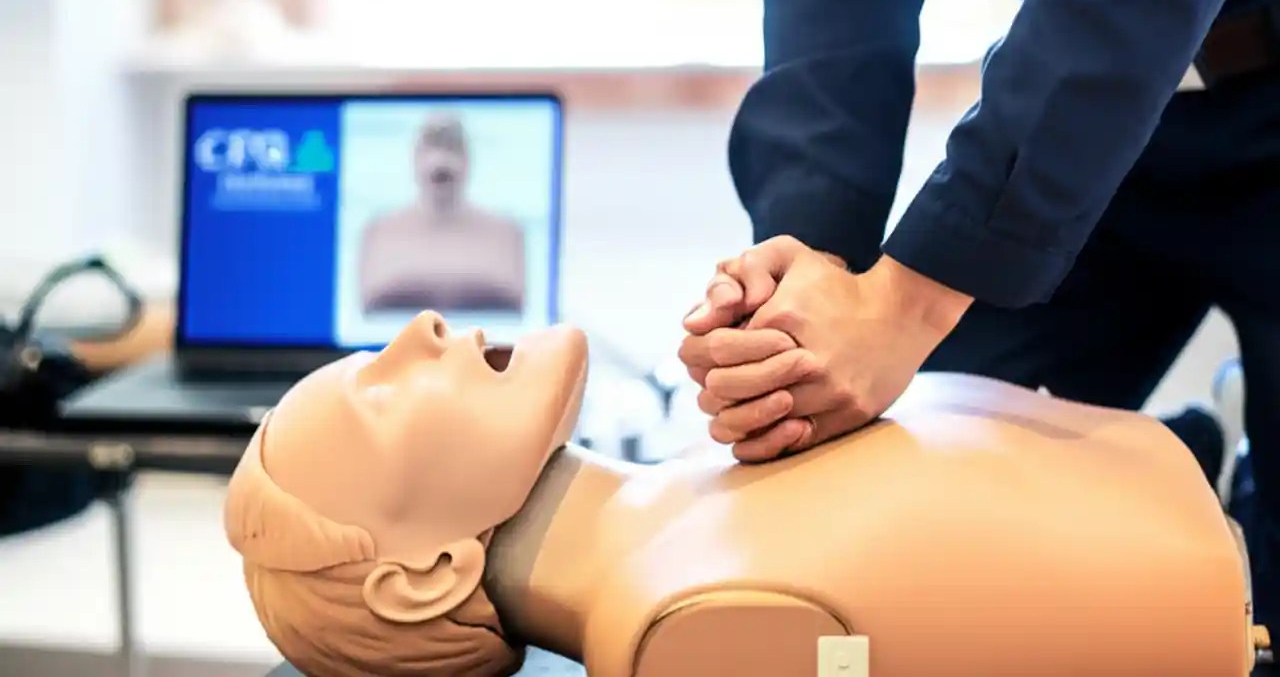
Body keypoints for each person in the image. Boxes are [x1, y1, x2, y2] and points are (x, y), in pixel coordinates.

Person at [677, 0, 1280, 632]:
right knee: (904, 515)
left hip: (1210, 84)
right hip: (1091, 135)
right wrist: (806, 279)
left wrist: (903, 308)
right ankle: (1192, 460)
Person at [224, 312, 1253, 677]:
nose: (422, 330)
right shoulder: (685, 635)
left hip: (1168, 482)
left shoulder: (690, 479)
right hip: (1210, 579)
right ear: (420, 577)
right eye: (381, 396)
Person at [358, 113, 526, 314]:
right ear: (414, 159)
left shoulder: (506, 235)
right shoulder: (380, 233)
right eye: (432, 145)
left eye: (452, 147)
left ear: (468, 161)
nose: (441, 161)